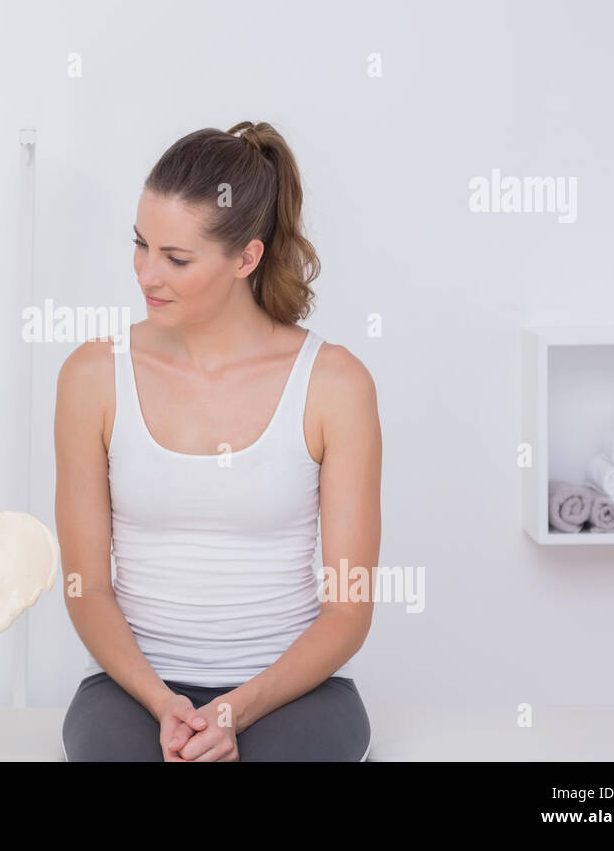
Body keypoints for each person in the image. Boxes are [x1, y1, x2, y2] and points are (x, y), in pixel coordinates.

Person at [56, 122, 380, 761]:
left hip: (291, 692)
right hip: (135, 690)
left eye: (176, 259)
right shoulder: (93, 375)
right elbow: (87, 586)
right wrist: (163, 703)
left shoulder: (335, 383)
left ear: (246, 259)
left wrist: (235, 709)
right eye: (141, 245)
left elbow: (348, 609)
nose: (148, 274)